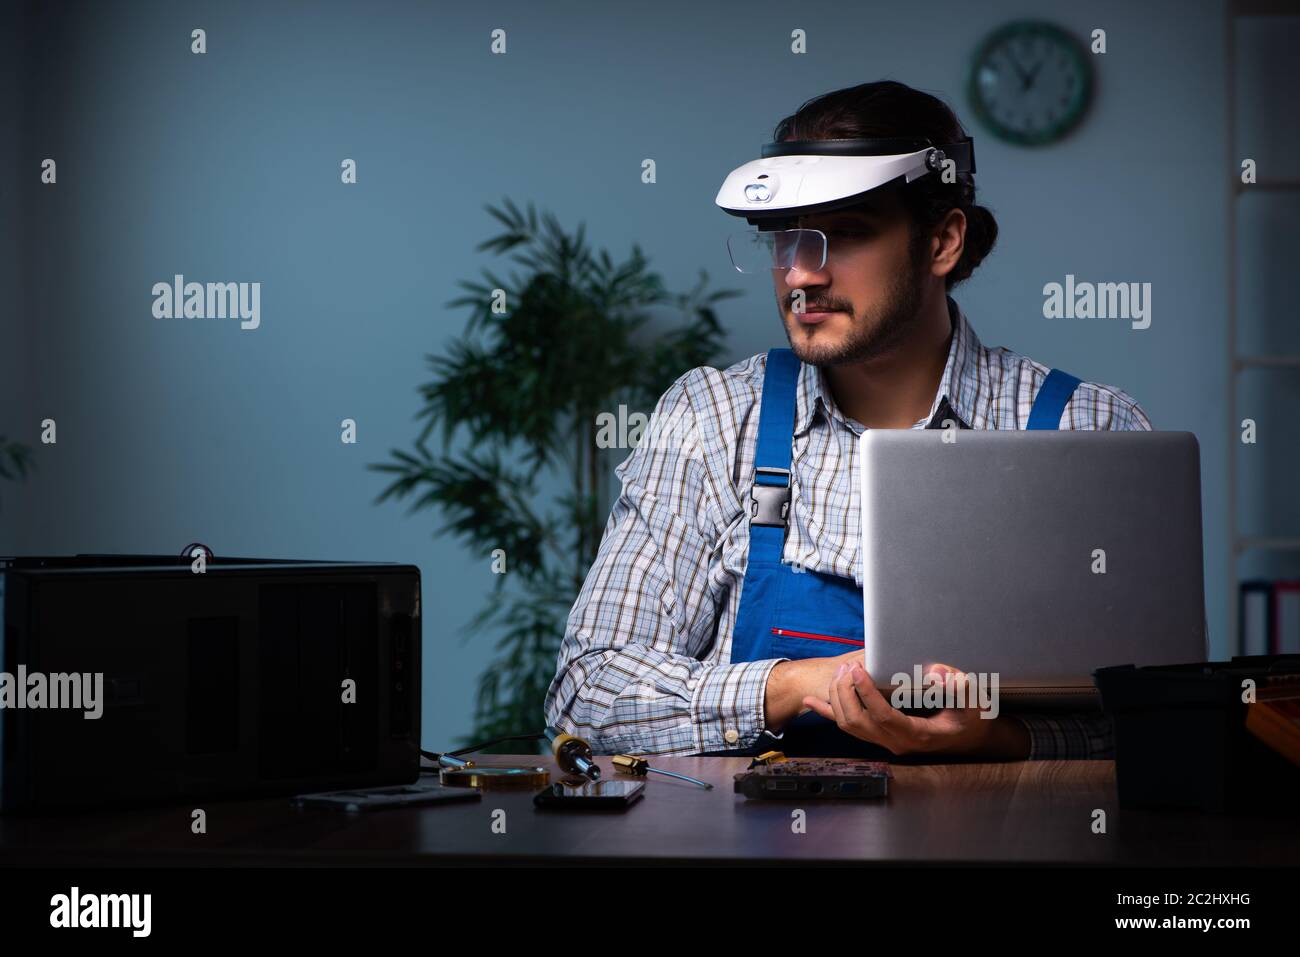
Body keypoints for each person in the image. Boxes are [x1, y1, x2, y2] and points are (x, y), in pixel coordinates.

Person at [544, 80, 1149, 760]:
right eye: (785, 238)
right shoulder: (711, 419)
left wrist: (999, 737)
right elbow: (587, 695)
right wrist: (803, 684)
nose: (801, 275)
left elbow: (1150, 717)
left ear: (943, 241)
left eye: (845, 234)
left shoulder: (1086, 429)